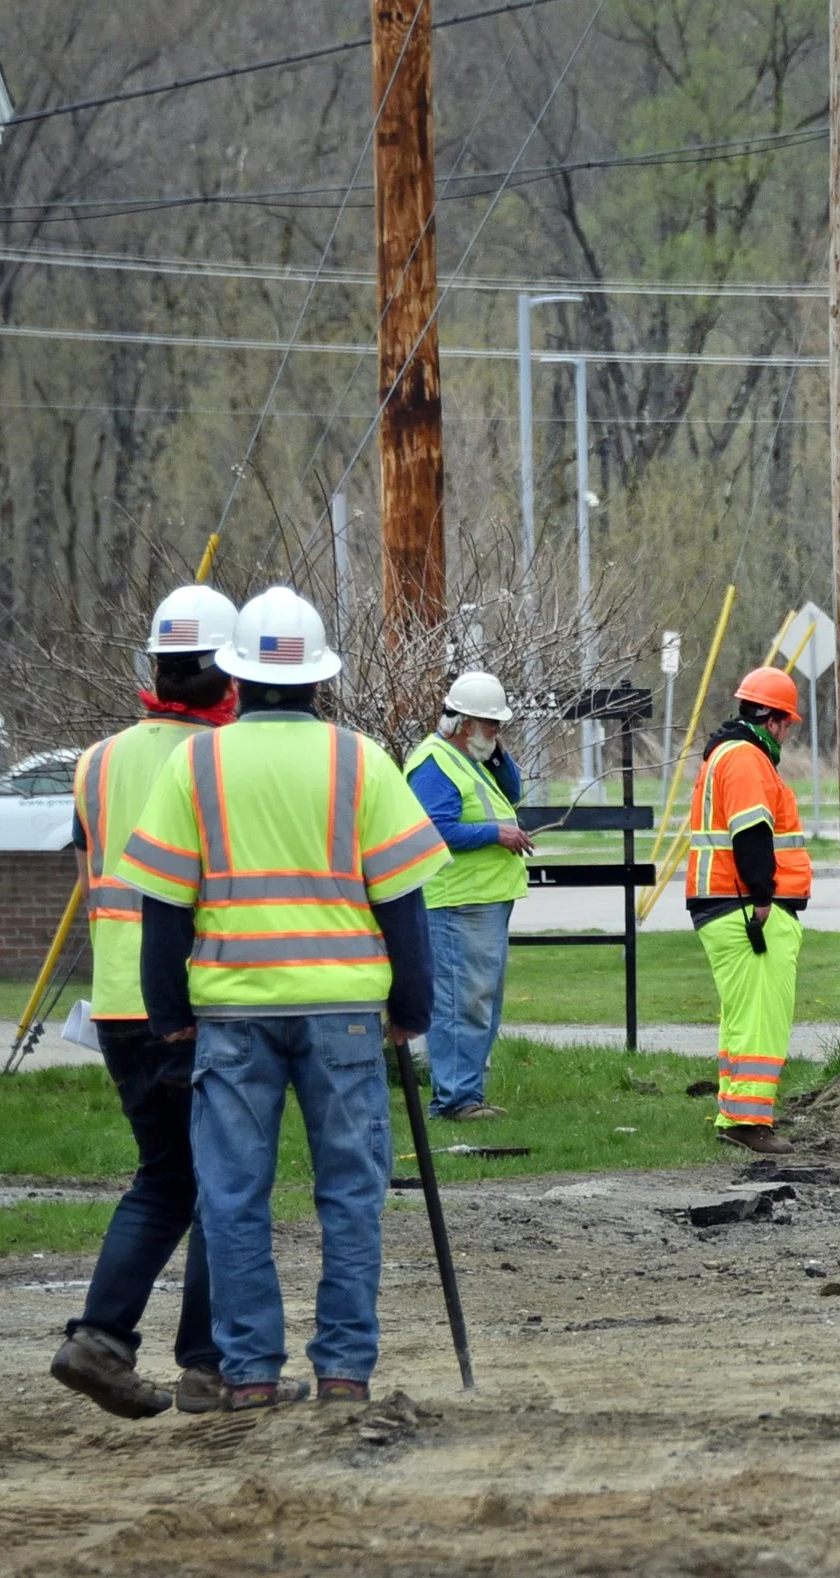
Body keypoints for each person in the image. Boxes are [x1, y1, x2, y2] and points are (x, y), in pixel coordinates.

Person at [115, 584, 448, 1412]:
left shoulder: (197, 763)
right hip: (343, 1017)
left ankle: (251, 1374)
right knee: (350, 1196)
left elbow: (164, 908)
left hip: (231, 1016)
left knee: (232, 1198)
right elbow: (402, 901)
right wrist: (413, 1006)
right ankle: (343, 1373)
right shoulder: (358, 760)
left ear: (237, 676)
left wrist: (170, 1014)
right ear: (319, 679)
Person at [49, 584, 236, 1420]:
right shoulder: (215, 762)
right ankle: (207, 1365)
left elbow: (94, 868)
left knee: (168, 1178)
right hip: (196, 996)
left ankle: (106, 1342)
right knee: (218, 1181)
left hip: (118, 1001)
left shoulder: (96, 761)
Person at [686, 666, 812, 1155]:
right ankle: (746, 1121)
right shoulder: (745, 759)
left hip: (730, 904)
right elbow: (751, 832)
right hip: (746, 907)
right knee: (761, 1018)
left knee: (745, 1017)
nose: (787, 733)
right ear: (775, 720)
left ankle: (737, 1113)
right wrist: (762, 899)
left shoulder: (732, 755)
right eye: (787, 724)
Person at [404, 671, 535, 1120]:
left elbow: (512, 791)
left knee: (480, 1001)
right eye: (492, 725)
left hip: (481, 900)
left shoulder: (470, 759)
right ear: (464, 722)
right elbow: (432, 830)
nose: (498, 733)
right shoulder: (435, 763)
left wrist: (496, 753)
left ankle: (467, 1094)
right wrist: (494, 833)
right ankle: (455, 1100)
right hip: (457, 902)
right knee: (463, 1001)